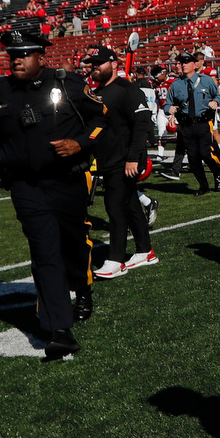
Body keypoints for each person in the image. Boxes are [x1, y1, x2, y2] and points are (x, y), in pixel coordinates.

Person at [0, 29, 108, 360]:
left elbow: (100, 122)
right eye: (12, 55)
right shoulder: (0, 91)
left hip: (68, 182)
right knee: (44, 252)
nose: (17, 59)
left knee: (74, 246)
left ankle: (83, 286)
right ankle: (59, 331)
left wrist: (81, 143)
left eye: (24, 54)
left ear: (41, 57)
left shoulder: (69, 84)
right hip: (25, 187)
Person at [85, 46, 158, 278]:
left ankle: (116, 260)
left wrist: (133, 158)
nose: (94, 66)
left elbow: (143, 124)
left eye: (100, 63)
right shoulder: (97, 92)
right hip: (108, 160)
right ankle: (145, 251)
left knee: (114, 206)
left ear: (114, 64)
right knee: (130, 205)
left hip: (125, 160)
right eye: (92, 63)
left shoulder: (128, 90)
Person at [166, 51, 220, 193]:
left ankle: (217, 174)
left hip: (203, 122)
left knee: (205, 153)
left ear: (194, 64)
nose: (184, 65)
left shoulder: (206, 80)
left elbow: (218, 95)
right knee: (193, 157)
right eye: (182, 62)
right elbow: (167, 105)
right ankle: (203, 185)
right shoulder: (176, 85)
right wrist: (170, 109)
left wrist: (216, 102)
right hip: (186, 125)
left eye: (187, 62)